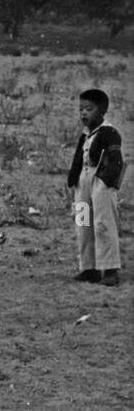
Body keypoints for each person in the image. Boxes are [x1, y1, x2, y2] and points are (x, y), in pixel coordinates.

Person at [68, 89, 123, 286]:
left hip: (100, 180)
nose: (83, 113)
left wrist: (106, 183)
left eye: (89, 109)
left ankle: (110, 268)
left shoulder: (109, 133)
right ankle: (88, 267)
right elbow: (77, 159)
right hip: (82, 182)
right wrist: (73, 180)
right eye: (81, 109)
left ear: (102, 111)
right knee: (83, 222)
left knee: (103, 223)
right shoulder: (85, 135)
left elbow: (116, 159)